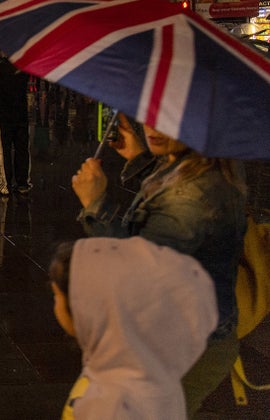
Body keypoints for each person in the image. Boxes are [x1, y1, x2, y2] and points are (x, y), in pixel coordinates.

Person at [71, 114, 248, 415]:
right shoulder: (196, 168)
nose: (154, 127)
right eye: (151, 115)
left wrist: (96, 204)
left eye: (168, 119)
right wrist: (139, 157)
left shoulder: (192, 195)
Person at [50, 237, 217, 420]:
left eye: (57, 295)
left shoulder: (110, 406)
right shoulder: (153, 375)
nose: (54, 304)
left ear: (95, 310)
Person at [0, 47, 31, 196]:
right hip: (21, 115)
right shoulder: (23, 68)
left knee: (4, 152)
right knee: (22, 150)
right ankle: (23, 183)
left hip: (2, 116)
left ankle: (4, 184)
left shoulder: (0, 68)